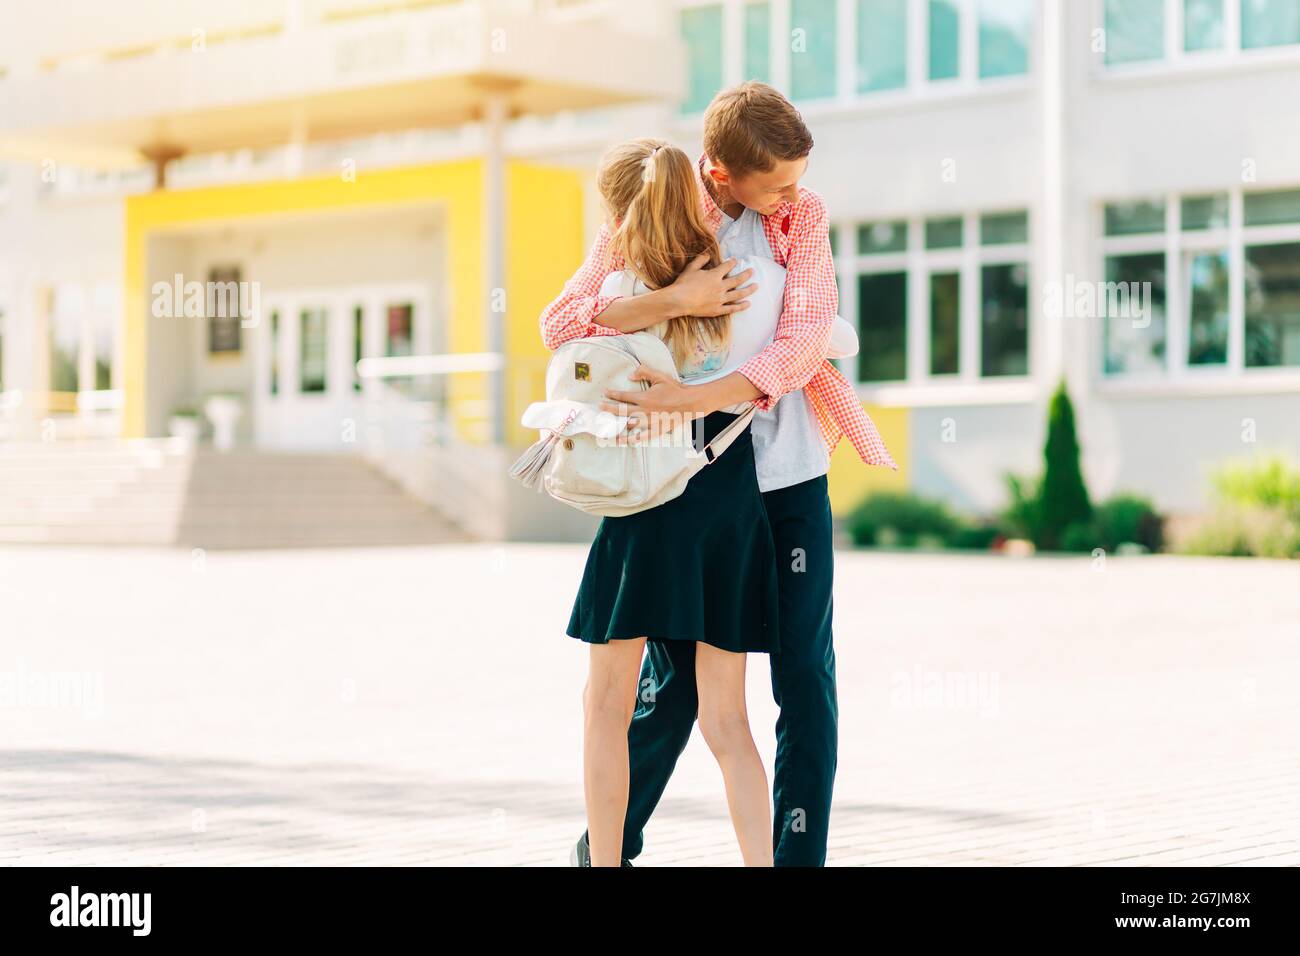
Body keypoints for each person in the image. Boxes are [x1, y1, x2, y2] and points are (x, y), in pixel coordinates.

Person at [543, 82, 895, 867]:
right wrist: (675, 298)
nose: (794, 198)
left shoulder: (802, 218)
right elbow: (564, 321)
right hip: (685, 481)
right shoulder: (658, 205)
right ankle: (604, 848)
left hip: (788, 477)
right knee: (673, 694)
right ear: (720, 173)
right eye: (777, 184)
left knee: (804, 675)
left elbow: (808, 336)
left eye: (799, 180)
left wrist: (691, 394)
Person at [566, 138, 783, 867]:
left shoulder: (616, 297)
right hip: (727, 506)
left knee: (606, 706)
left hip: (644, 504)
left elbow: (558, 331)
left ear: (619, 215)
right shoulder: (745, 279)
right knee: (729, 721)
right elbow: (813, 343)